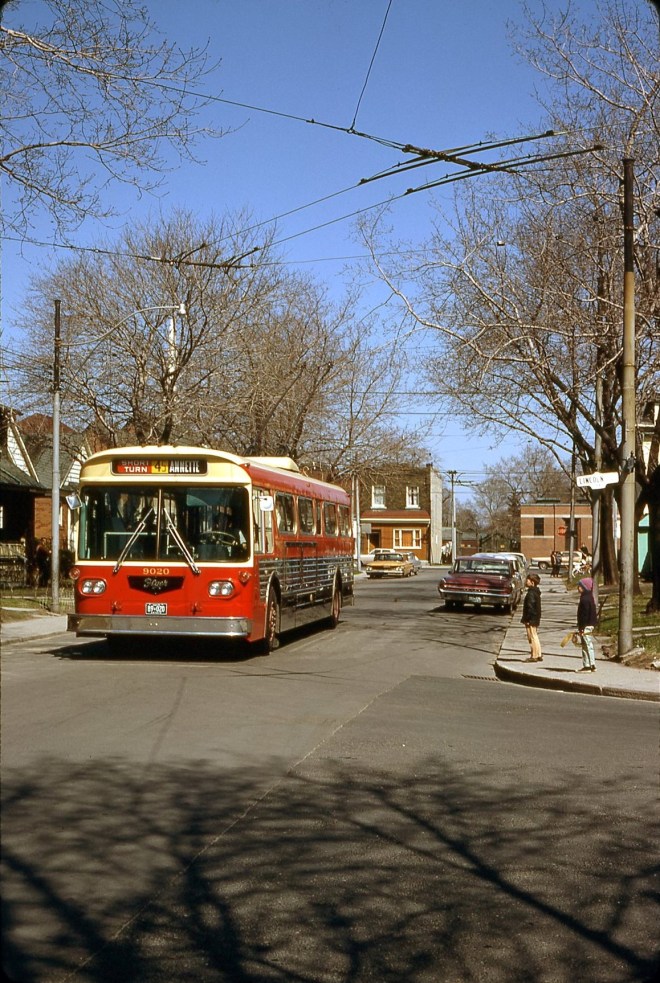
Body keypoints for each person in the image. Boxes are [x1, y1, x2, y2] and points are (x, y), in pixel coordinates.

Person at [576, 577, 598, 672]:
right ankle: (589, 664)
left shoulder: (584, 599)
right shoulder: (589, 597)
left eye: (579, 586)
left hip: (586, 625)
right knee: (586, 644)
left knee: (586, 644)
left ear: (584, 587)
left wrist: (581, 627)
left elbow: (584, 615)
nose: (578, 588)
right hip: (590, 624)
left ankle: (589, 665)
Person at [521, 572, 542, 662]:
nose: (526, 581)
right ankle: (539, 654)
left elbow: (530, 607)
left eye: (528, 580)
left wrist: (528, 619)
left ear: (532, 582)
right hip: (535, 617)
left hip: (531, 618)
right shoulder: (536, 592)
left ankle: (534, 655)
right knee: (535, 635)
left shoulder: (531, 594)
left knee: (532, 636)